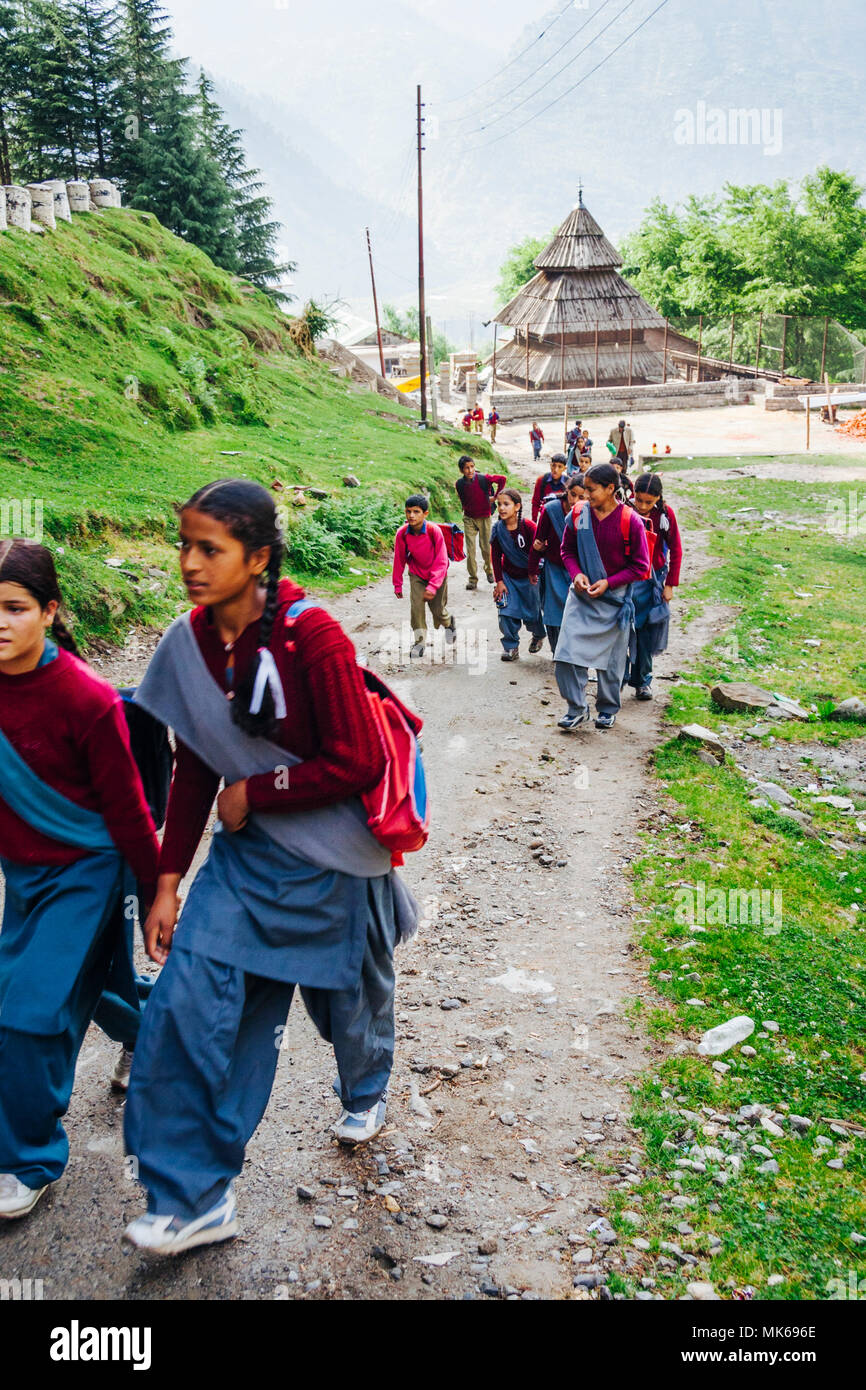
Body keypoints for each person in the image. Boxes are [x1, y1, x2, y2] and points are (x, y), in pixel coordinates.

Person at [124, 479, 419, 1255]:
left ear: (256, 558)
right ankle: (192, 1197)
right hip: (244, 867)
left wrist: (261, 788)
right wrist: (166, 882)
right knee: (195, 1013)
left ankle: (365, 1087)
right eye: (183, 544)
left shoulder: (313, 636)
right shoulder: (186, 646)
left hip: (331, 863)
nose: (189, 562)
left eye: (209, 548)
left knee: (349, 1003)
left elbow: (356, 757)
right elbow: (195, 768)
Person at [0, 540, 160, 1221]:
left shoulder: (85, 699)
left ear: (50, 611)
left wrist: (158, 894)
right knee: (97, 989)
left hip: (88, 874)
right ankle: (153, 1037)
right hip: (24, 877)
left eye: (14, 608)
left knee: (26, 1013)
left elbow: (128, 810)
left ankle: (27, 1159)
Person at [554, 462, 650, 731]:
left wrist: (609, 582)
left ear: (611, 489)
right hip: (581, 597)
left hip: (614, 601)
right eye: (584, 489)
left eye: (591, 490)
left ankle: (607, 708)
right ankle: (576, 708)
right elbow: (567, 551)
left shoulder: (629, 521)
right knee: (565, 655)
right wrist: (575, 574)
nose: (585, 495)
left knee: (611, 663)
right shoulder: (579, 514)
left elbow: (641, 567)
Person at [627, 473, 682, 701]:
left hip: (653, 581)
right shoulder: (625, 510)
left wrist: (669, 584)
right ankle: (616, 678)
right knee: (623, 630)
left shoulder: (665, 515)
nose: (642, 506)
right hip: (628, 579)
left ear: (658, 498)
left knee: (646, 634)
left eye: (648, 502)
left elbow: (676, 550)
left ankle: (643, 681)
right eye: (638, 500)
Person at [529, 472, 586, 653]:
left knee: (576, 616)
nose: (576, 500)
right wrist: (532, 569)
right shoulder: (551, 510)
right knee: (553, 615)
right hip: (553, 570)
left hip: (579, 572)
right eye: (573, 494)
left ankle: (574, 655)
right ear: (566, 491)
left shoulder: (589, 512)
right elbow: (538, 542)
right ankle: (558, 653)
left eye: (582, 497)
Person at [394, 495, 456, 659]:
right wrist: (397, 584)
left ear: (425, 513)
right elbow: (399, 559)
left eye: (416, 512)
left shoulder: (433, 531)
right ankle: (419, 643)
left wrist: (433, 585)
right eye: (408, 511)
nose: (411, 516)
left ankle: (449, 623)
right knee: (416, 609)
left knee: (438, 610)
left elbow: (442, 561)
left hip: (437, 575)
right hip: (417, 574)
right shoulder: (402, 534)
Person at [491, 488, 546, 663]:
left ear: (517, 507)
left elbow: (539, 551)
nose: (501, 508)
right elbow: (495, 556)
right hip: (509, 577)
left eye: (506, 504)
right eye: (499, 504)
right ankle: (511, 646)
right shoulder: (498, 529)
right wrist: (499, 581)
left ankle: (538, 634)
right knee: (505, 611)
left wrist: (533, 571)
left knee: (533, 611)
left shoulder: (528, 527)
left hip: (530, 577)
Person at [455, 456, 506, 590]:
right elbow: (463, 498)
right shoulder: (459, 484)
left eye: (472, 466)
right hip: (469, 518)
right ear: (461, 470)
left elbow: (502, 479)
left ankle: (489, 571)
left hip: (484, 517)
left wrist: (496, 497)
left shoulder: (484, 479)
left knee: (485, 548)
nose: (470, 470)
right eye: (466, 468)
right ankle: (473, 579)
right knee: (470, 550)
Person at [530, 453, 568, 521]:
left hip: (561, 520)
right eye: (554, 465)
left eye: (560, 467)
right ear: (550, 465)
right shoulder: (541, 480)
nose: (555, 470)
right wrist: (534, 521)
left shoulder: (568, 483)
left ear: (564, 468)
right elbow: (535, 503)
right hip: (545, 517)